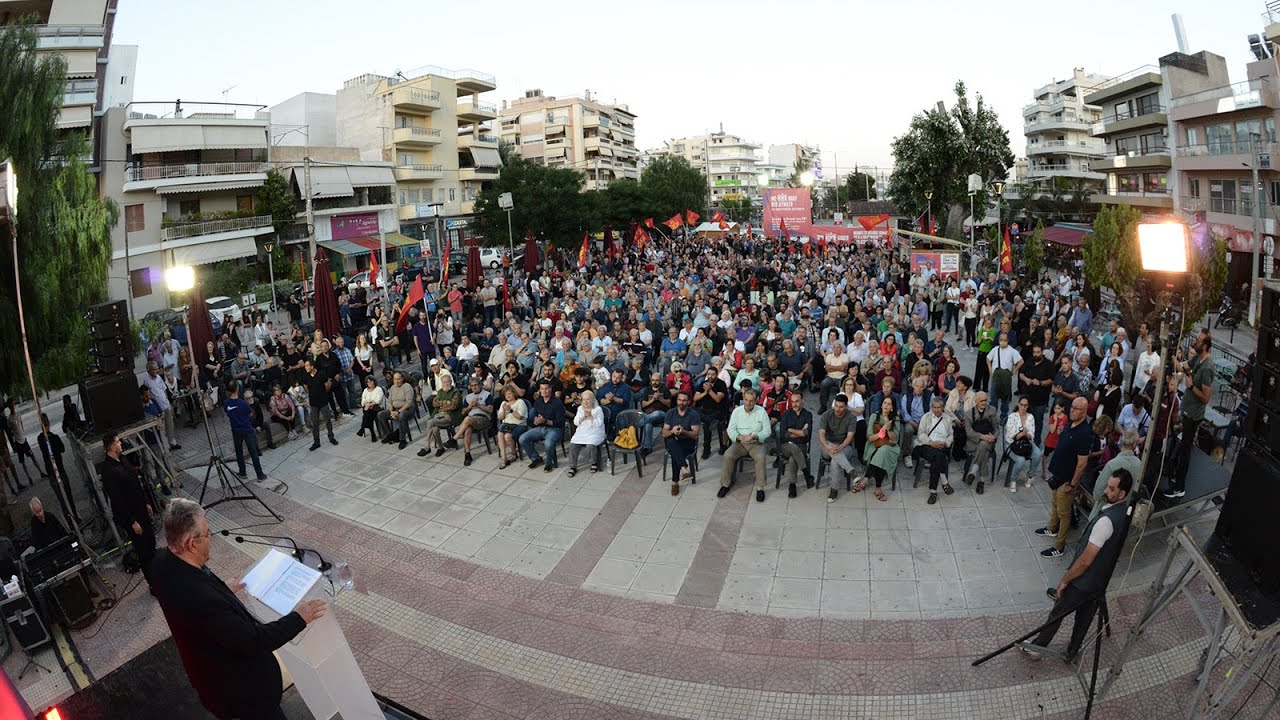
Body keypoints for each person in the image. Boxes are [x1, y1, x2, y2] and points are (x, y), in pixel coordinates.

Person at [151, 499, 326, 720]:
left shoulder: (160, 563)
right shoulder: (202, 599)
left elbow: (195, 600)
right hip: (244, 696)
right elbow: (253, 641)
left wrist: (223, 591)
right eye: (207, 533)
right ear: (191, 544)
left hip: (207, 675)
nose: (211, 538)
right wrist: (299, 618)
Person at [1022, 469, 1133, 665]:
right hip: (1099, 583)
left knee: (1058, 613)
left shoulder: (1105, 521)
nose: (1107, 491)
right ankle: (1072, 652)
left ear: (1122, 494)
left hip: (1082, 582)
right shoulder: (1123, 513)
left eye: (1111, 488)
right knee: (1083, 620)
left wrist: (1065, 580)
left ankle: (1037, 648)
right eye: (1108, 486)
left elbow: (1085, 561)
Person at [1036, 397, 1095, 558]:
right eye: (1072, 407)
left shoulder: (1084, 433)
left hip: (1067, 480)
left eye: (1076, 408)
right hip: (1057, 474)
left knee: (1064, 512)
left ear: (1084, 411)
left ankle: (1059, 546)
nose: (1072, 410)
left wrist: (1073, 483)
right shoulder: (1070, 423)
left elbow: (1082, 463)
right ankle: (1052, 528)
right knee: (1055, 503)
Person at [100, 431, 156, 585]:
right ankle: (152, 582)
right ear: (111, 446)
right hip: (132, 517)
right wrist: (132, 522)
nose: (120, 444)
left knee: (151, 542)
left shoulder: (123, 459)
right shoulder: (108, 471)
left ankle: (158, 574)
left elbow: (136, 484)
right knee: (142, 549)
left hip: (141, 509)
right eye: (118, 442)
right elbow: (117, 500)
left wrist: (146, 502)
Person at [1169, 336, 1213, 499]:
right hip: (1186, 411)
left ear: (1206, 345)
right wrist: (1173, 354)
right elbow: (1181, 367)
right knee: (1179, 447)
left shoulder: (1208, 367)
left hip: (1193, 415)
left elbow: (1206, 398)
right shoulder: (1197, 359)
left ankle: (1180, 487)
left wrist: (1192, 386)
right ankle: (1175, 477)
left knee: (1185, 451)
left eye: (1199, 341)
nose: (1195, 342)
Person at [717, 388, 772, 503]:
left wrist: (755, 436)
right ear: (743, 399)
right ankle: (725, 484)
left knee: (761, 458)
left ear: (756, 400)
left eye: (751, 401)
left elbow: (767, 431)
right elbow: (730, 429)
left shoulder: (761, 412)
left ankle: (760, 487)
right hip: (740, 443)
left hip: (756, 443)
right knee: (728, 455)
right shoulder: (737, 412)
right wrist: (739, 437)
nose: (748, 403)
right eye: (746, 400)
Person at [852, 395, 901, 502]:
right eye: (884, 403)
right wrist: (880, 433)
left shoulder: (896, 419)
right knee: (881, 454)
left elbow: (895, 439)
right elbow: (869, 437)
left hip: (891, 447)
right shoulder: (875, 416)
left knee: (883, 451)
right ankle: (878, 488)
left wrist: (888, 430)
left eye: (889, 404)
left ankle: (865, 479)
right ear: (881, 404)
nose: (886, 405)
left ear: (892, 407)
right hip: (874, 445)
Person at [913, 396, 954, 505]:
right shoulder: (926, 417)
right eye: (934, 407)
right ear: (931, 407)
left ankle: (933, 492)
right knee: (939, 457)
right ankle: (944, 482)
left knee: (937, 459)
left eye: (939, 407)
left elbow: (951, 435)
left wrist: (945, 443)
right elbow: (920, 434)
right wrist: (932, 443)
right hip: (926, 445)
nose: (936, 410)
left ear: (943, 407)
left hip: (941, 446)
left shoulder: (948, 419)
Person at [223, 382, 267, 482]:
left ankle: (242, 472)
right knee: (253, 452)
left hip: (235, 430)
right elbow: (250, 413)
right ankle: (260, 475)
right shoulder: (242, 403)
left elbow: (227, 412)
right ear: (237, 389)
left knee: (239, 452)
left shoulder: (226, 403)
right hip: (247, 429)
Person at [36, 413, 76, 522]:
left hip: (54, 472)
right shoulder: (51, 438)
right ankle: (73, 518)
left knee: (64, 498)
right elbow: (61, 449)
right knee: (67, 497)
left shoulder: (42, 438)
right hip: (58, 471)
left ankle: (72, 519)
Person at [520, 381, 566, 472]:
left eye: (546, 388)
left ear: (550, 389)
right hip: (541, 427)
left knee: (548, 444)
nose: (544, 391)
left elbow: (559, 423)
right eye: (542, 389)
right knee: (522, 438)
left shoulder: (557, 403)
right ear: (539, 390)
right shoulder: (538, 401)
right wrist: (536, 421)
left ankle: (549, 463)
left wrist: (545, 421)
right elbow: (536, 416)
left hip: (555, 429)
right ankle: (536, 458)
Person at [820, 393, 858, 503]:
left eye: (841, 407)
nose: (838, 409)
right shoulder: (826, 415)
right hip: (827, 447)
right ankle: (851, 471)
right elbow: (821, 434)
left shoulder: (851, 417)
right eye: (836, 406)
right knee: (832, 450)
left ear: (846, 407)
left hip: (845, 447)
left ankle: (834, 490)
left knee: (835, 461)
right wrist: (827, 446)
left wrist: (840, 447)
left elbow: (850, 437)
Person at [661, 391, 701, 496]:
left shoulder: (693, 414)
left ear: (688, 402)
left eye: (684, 400)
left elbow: (696, 434)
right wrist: (672, 432)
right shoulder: (671, 413)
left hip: (687, 442)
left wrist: (684, 432)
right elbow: (664, 433)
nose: (681, 402)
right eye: (679, 400)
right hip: (673, 440)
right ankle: (684, 469)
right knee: (672, 441)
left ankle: (675, 482)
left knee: (675, 452)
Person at [777, 388, 814, 497]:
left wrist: (791, 430)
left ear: (803, 401)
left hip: (802, 445)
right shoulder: (786, 415)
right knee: (794, 449)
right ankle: (807, 475)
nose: (794, 404)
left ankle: (792, 485)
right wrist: (800, 432)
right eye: (792, 402)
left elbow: (806, 433)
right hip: (786, 446)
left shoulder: (808, 415)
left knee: (794, 457)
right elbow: (784, 434)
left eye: (797, 401)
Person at [142, 360, 181, 451]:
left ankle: (173, 442)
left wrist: (167, 401)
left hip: (165, 404)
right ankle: (166, 445)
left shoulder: (159, 377)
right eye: (154, 369)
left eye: (156, 369)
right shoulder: (146, 380)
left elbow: (164, 390)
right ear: (149, 370)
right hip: (158, 408)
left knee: (170, 424)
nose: (156, 371)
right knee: (162, 427)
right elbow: (148, 394)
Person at [420, 373, 463, 457]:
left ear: (451, 382)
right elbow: (434, 403)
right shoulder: (440, 392)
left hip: (450, 416)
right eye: (444, 382)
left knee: (430, 422)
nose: (446, 384)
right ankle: (440, 447)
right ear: (441, 383)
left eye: (447, 382)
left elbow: (453, 406)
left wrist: (442, 404)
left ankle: (427, 446)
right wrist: (446, 402)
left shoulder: (455, 392)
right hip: (439, 415)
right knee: (435, 429)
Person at [963, 392, 998, 494]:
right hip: (974, 441)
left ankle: (973, 471)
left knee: (984, 445)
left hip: (990, 440)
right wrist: (982, 437)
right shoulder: (969, 413)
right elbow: (969, 432)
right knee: (984, 448)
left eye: (985, 400)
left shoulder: (992, 410)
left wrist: (994, 437)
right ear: (976, 401)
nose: (984, 403)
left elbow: (996, 428)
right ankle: (981, 482)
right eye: (982, 401)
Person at [452, 378, 492, 466]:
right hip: (471, 419)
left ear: (480, 385)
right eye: (472, 385)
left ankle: (454, 439)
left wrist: (478, 405)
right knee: (467, 429)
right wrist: (470, 407)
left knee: (467, 419)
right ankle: (467, 454)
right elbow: (463, 412)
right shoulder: (468, 397)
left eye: (476, 385)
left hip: (483, 418)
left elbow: (490, 410)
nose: (474, 387)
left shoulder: (487, 395)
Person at [566, 391, 605, 477]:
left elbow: (599, 424)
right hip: (582, 433)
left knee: (590, 445)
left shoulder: (598, 409)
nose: (586, 402)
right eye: (584, 400)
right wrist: (583, 416)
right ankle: (573, 466)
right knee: (573, 445)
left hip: (595, 433)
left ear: (592, 400)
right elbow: (575, 422)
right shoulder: (580, 409)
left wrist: (591, 416)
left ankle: (594, 463)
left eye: (588, 399)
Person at [303, 359, 338, 451]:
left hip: (323, 401)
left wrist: (322, 393)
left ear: (312, 366)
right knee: (315, 423)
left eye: (307, 366)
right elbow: (306, 388)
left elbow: (327, 385)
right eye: (305, 366)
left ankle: (331, 437)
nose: (306, 368)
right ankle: (316, 442)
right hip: (313, 403)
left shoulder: (321, 374)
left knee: (328, 420)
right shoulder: (306, 376)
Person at [377, 371, 417, 450]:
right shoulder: (392, 387)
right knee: (380, 414)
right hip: (395, 409)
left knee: (401, 416)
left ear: (402, 379)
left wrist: (398, 412)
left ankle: (402, 439)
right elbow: (389, 402)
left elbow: (409, 403)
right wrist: (391, 411)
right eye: (395, 379)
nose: (396, 381)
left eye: (398, 379)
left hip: (407, 409)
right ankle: (390, 435)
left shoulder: (407, 386)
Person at [496, 385, 528, 469]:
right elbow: (500, 418)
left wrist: (510, 410)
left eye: (510, 394)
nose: (508, 396)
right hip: (506, 424)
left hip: (519, 424)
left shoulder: (520, 402)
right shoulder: (504, 403)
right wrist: (503, 411)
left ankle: (514, 453)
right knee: (500, 434)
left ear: (514, 393)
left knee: (507, 436)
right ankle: (504, 458)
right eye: (506, 395)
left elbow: (520, 417)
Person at [357, 376, 385, 443]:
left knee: (368, 414)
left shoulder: (378, 389)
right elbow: (362, 401)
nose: (369, 383)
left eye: (371, 381)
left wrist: (370, 404)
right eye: (368, 382)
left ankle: (364, 428)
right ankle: (372, 434)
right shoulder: (365, 390)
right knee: (368, 414)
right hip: (367, 407)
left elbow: (378, 400)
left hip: (376, 406)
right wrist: (366, 404)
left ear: (374, 381)